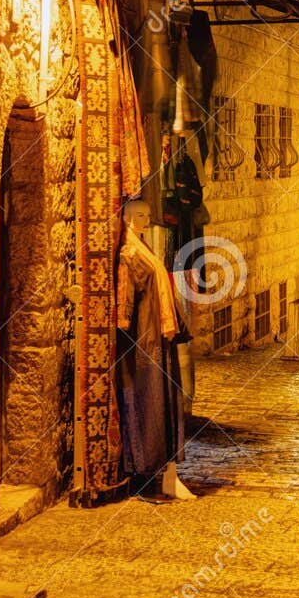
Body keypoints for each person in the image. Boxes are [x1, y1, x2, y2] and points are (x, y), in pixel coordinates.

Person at [115, 199, 194, 500]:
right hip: (144, 341)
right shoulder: (130, 253)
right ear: (126, 218)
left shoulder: (145, 249)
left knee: (166, 401)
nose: (145, 220)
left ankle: (169, 474)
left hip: (159, 336)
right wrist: (124, 326)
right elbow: (126, 301)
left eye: (148, 214)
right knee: (148, 401)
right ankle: (145, 472)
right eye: (139, 215)